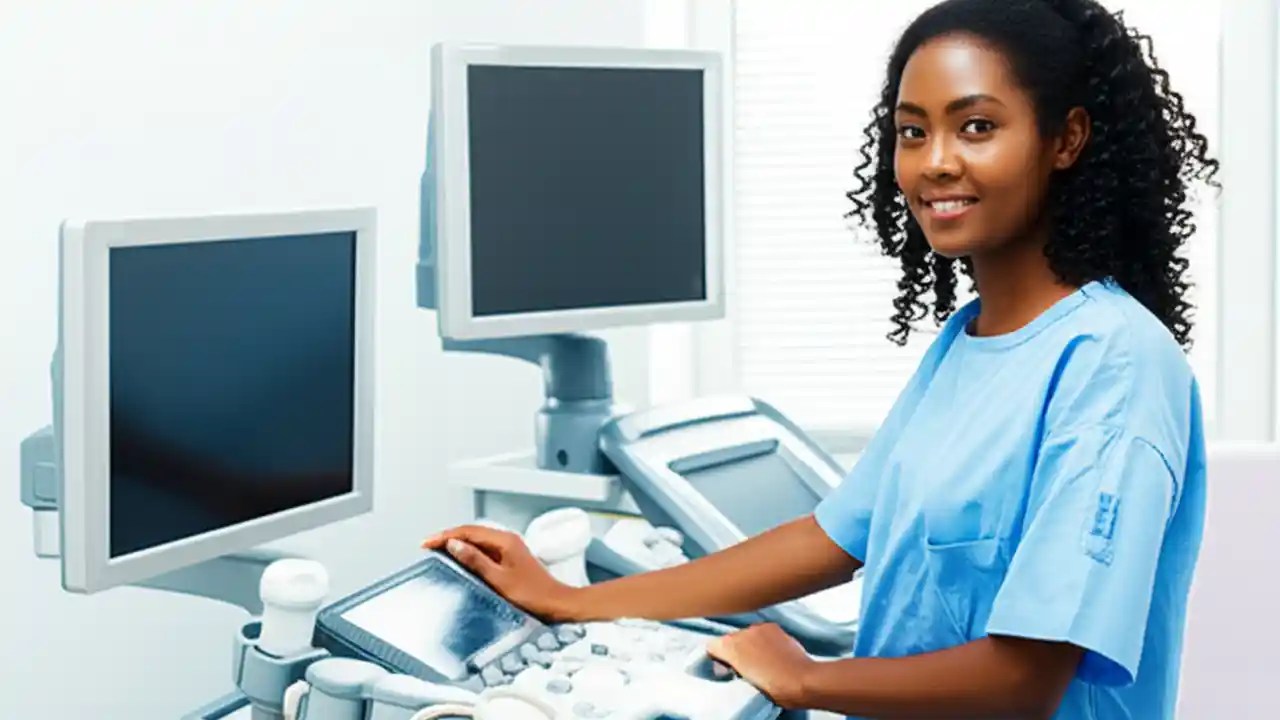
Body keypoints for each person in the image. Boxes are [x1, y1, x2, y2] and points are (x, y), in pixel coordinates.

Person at [423, 0, 1220, 716]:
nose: (935, 162)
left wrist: (805, 678)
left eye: (976, 127)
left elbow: (1026, 678)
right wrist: (573, 601)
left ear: (1066, 139)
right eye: (913, 131)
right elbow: (831, 540)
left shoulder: (1115, 366)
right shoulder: (970, 341)